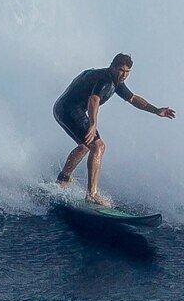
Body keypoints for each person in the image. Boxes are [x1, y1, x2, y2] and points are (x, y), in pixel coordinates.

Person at [52, 54, 175, 206]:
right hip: (69, 110)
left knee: (85, 146)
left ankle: (62, 180)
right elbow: (93, 100)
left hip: (63, 108)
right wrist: (93, 124)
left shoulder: (114, 80)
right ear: (113, 67)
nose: (124, 75)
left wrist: (156, 110)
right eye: (121, 70)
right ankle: (92, 194)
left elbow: (133, 99)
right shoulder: (105, 79)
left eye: (127, 72)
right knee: (98, 146)